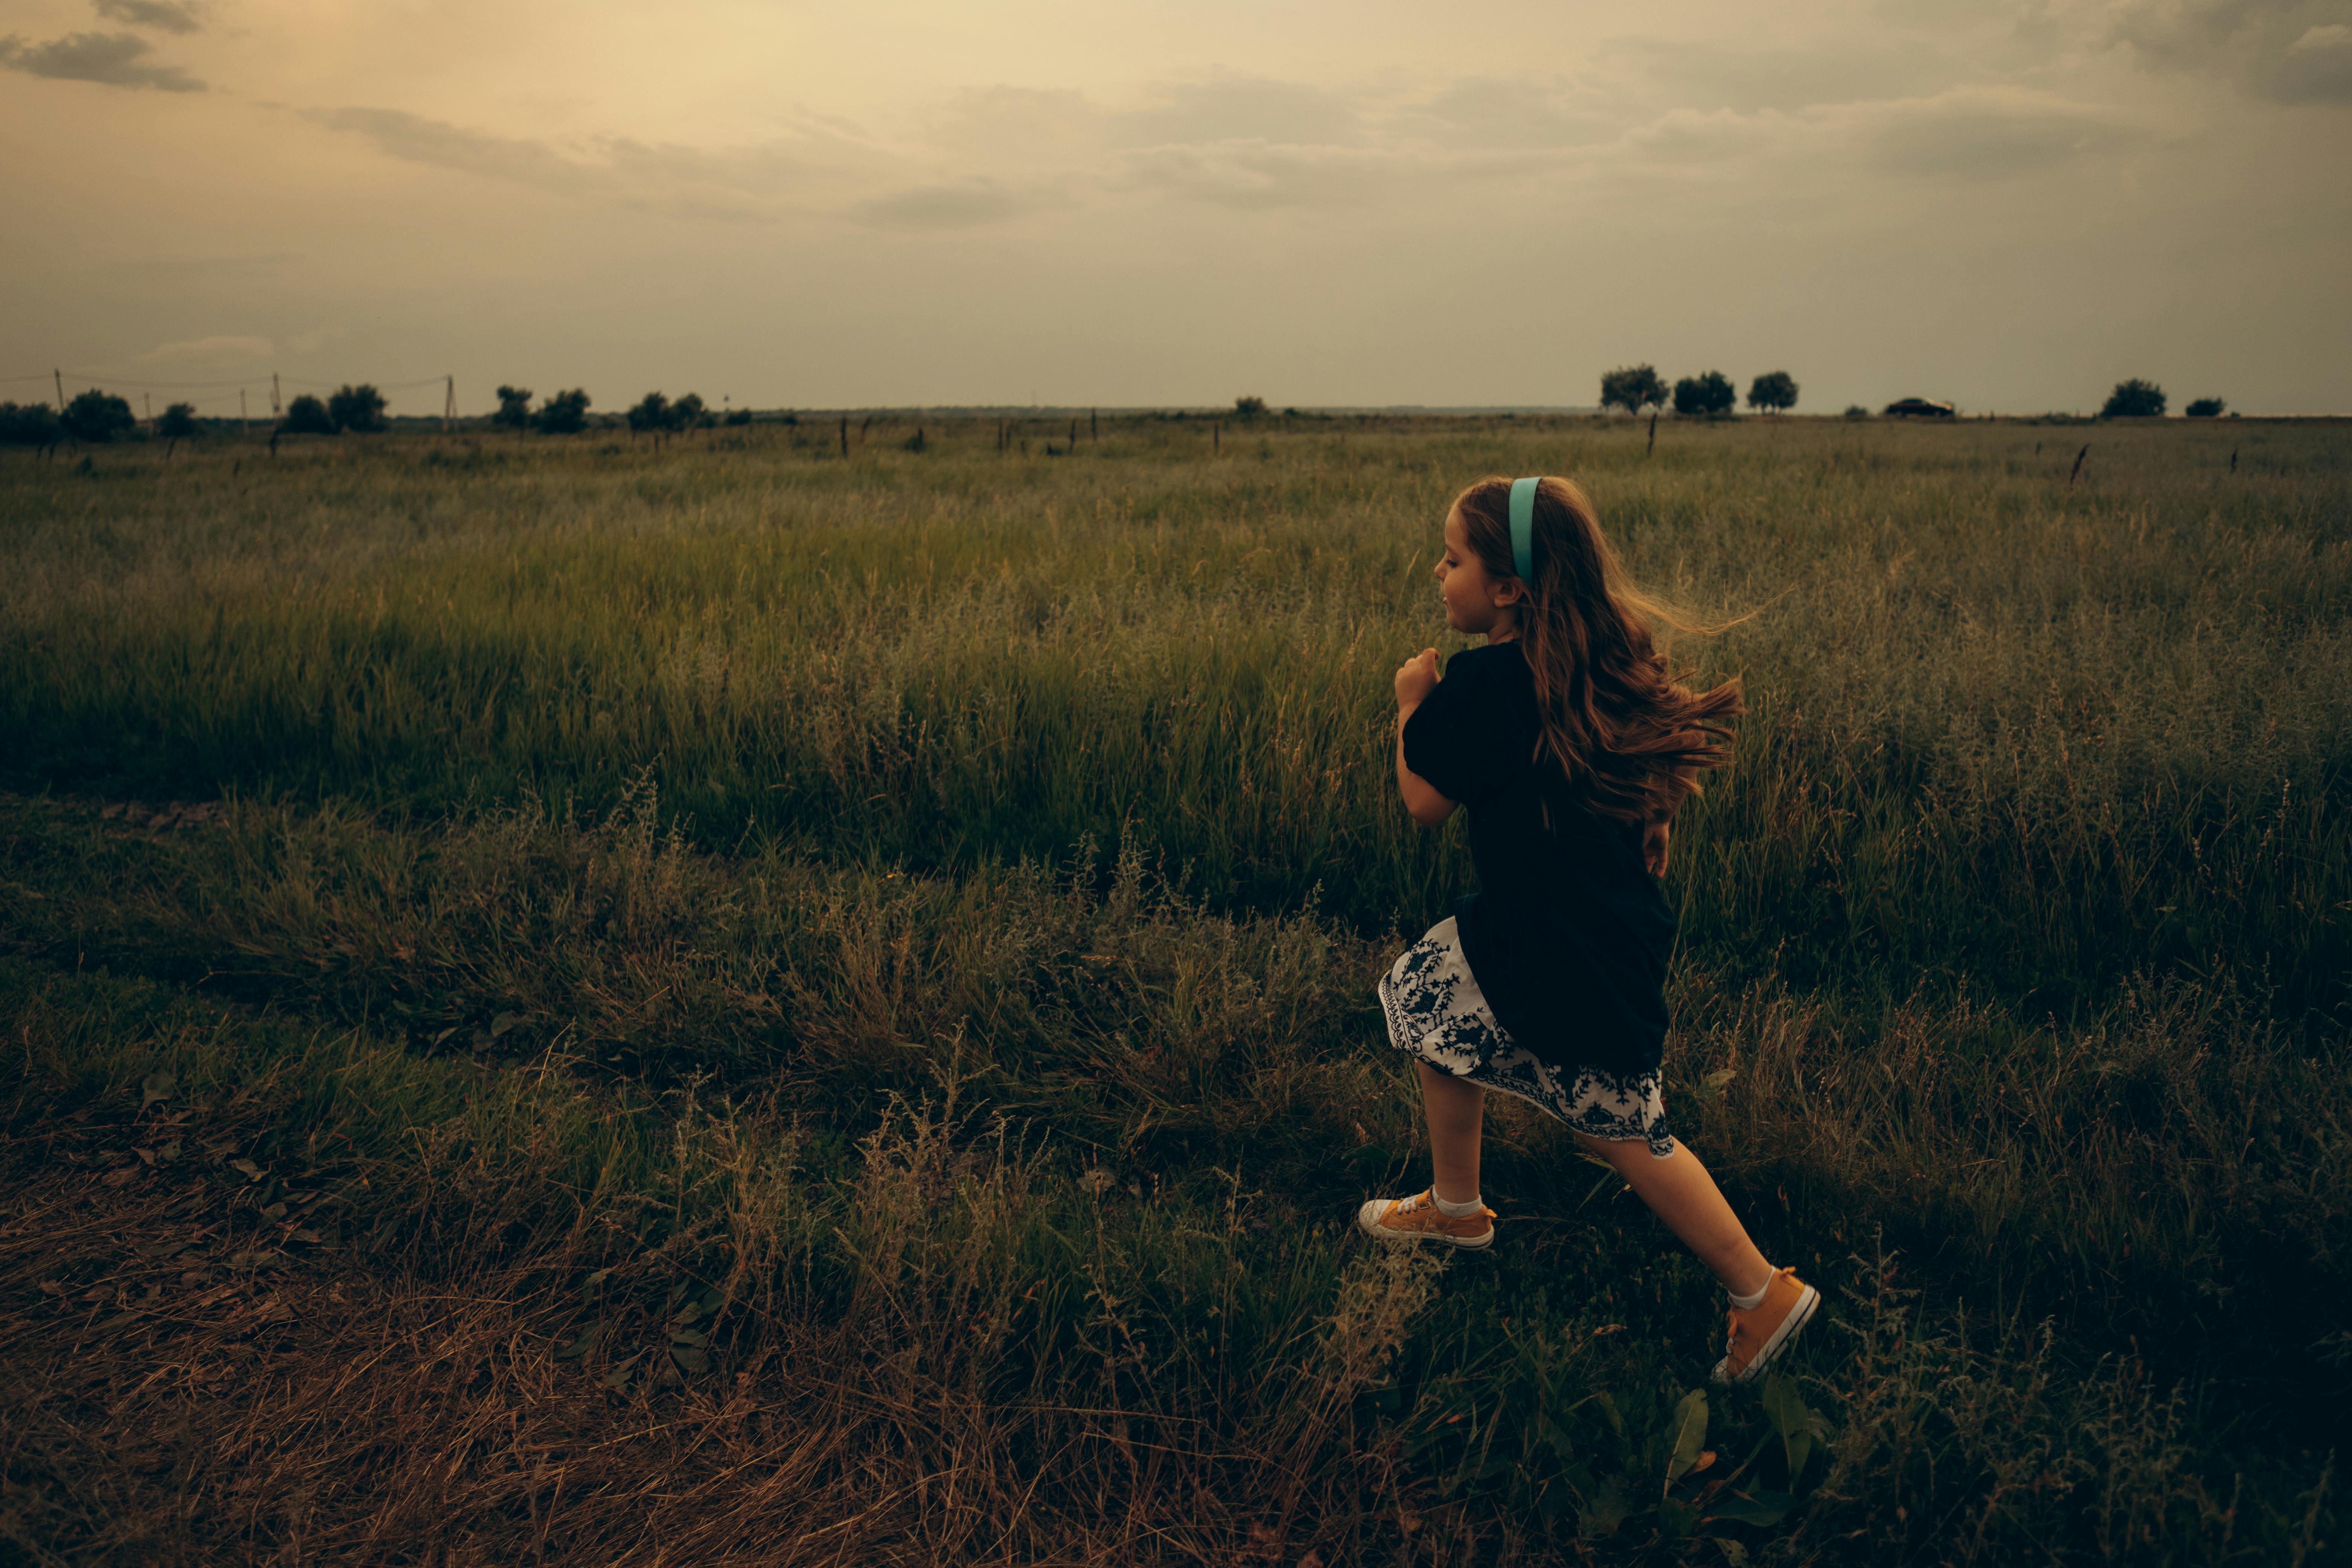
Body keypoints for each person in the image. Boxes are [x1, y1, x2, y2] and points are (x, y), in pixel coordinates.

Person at [1358, 475, 1815, 1385]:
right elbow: (1637, 771)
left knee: (1622, 1124)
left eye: (1452, 557)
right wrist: (1654, 817)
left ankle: (1759, 1291)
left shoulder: (1481, 683)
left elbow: (1421, 802)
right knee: (1422, 995)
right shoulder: (1592, 662)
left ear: (1507, 589)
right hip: (1579, 925)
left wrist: (1409, 701)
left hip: (1561, 950)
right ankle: (1456, 1206)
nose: (1436, 571)